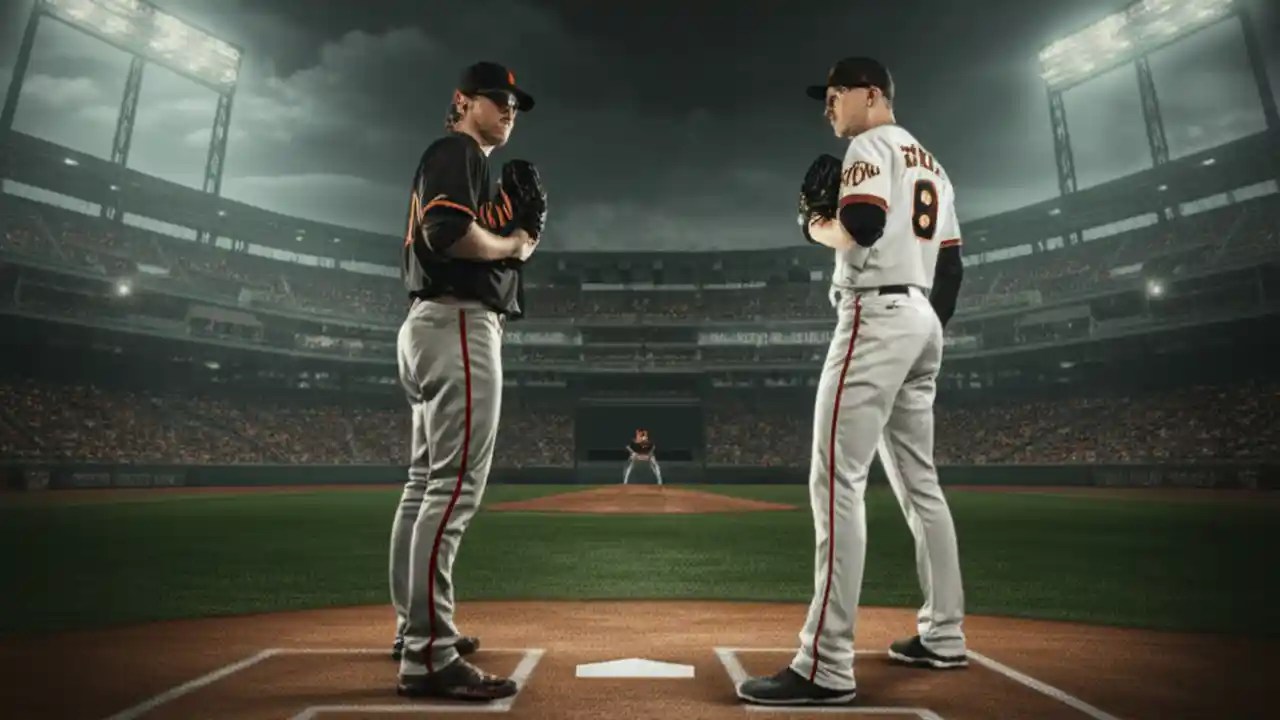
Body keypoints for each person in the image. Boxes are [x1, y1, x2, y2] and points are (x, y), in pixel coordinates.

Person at [737, 57, 968, 706]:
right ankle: (945, 634)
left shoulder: (869, 145)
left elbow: (860, 226)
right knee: (921, 486)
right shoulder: (933, 164)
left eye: (836, 95)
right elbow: (952, 269)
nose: (828, 107)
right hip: (921, 318)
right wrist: (925, 329)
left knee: (837, 480)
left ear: (872, 94)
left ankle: (826, 663)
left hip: (876, 314)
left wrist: (813, 224)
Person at [389, 60, 546, 702]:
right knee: (452, 490)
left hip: (429, 323)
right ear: (461, 102)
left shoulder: (463, 162)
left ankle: (414, 631)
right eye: (496, 99)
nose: (509, 109)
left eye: (514, 103)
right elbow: (448, 233)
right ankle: (429, 655)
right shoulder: (456, 151)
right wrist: (514, 245)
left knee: (422, 487)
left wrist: (509, 231)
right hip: (457, 321)